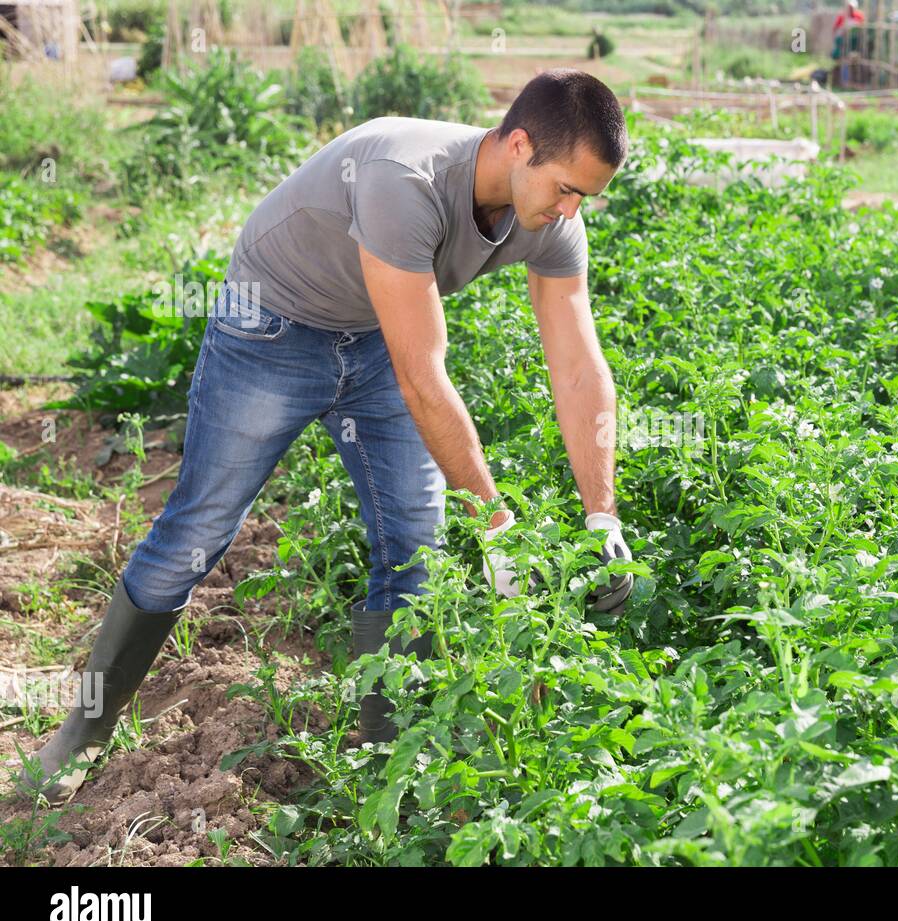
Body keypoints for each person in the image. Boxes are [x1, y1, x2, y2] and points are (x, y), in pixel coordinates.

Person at [19, 69, 635, 804]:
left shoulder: (555, 220)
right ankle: (81, 734)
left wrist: (603, 517)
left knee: (414, 543)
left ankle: (387, 766)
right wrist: (497, 525)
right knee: (198, 531)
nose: (571, 210)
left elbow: (578, 366)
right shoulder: (403, 178)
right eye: (566, 189)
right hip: (270, 329)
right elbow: (423, 375)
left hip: (373, 338)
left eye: (584, 197)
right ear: (521, 145)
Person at [832, 0, 866, 87]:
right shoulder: (842, 16)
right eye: (849, 7)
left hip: (855, 44)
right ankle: (845, 82)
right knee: (844, 61)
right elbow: (835, 29)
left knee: (857, 61)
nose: (850, 9)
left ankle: (858, 82)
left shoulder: (859, 16)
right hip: (843, 43)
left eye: (852, 8)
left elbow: (862, 29)